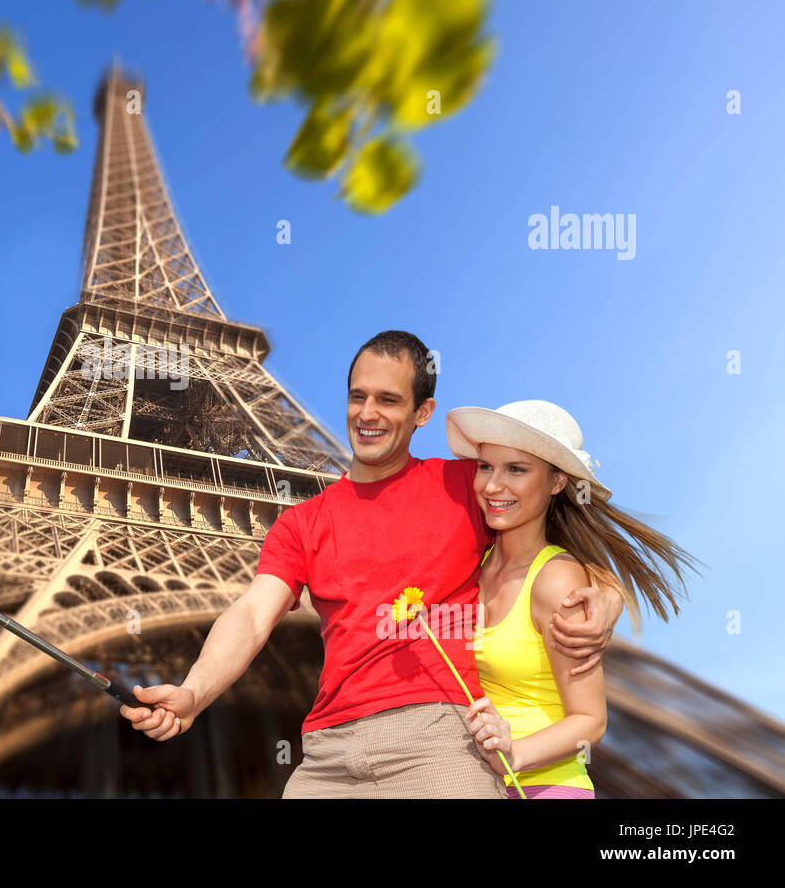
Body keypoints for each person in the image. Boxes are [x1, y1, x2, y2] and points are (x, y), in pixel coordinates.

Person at [119, 330, 627, 797]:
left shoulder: (466, 486)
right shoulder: (301, 523)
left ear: (423, 411)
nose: (368, 413)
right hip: (327, 753)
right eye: (358, 396)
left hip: (440, 737)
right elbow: (253, 615)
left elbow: (546, 532)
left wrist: (607, 595)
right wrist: (194, 691)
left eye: (388, 399)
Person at [449, 400, 695, 798]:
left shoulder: (558, 581)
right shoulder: (475, 560)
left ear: (557, 482)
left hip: (548, 788)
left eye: (517, 469)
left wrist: (516, 754)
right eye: (485, 466)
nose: (492, 486)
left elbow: (590, 720)